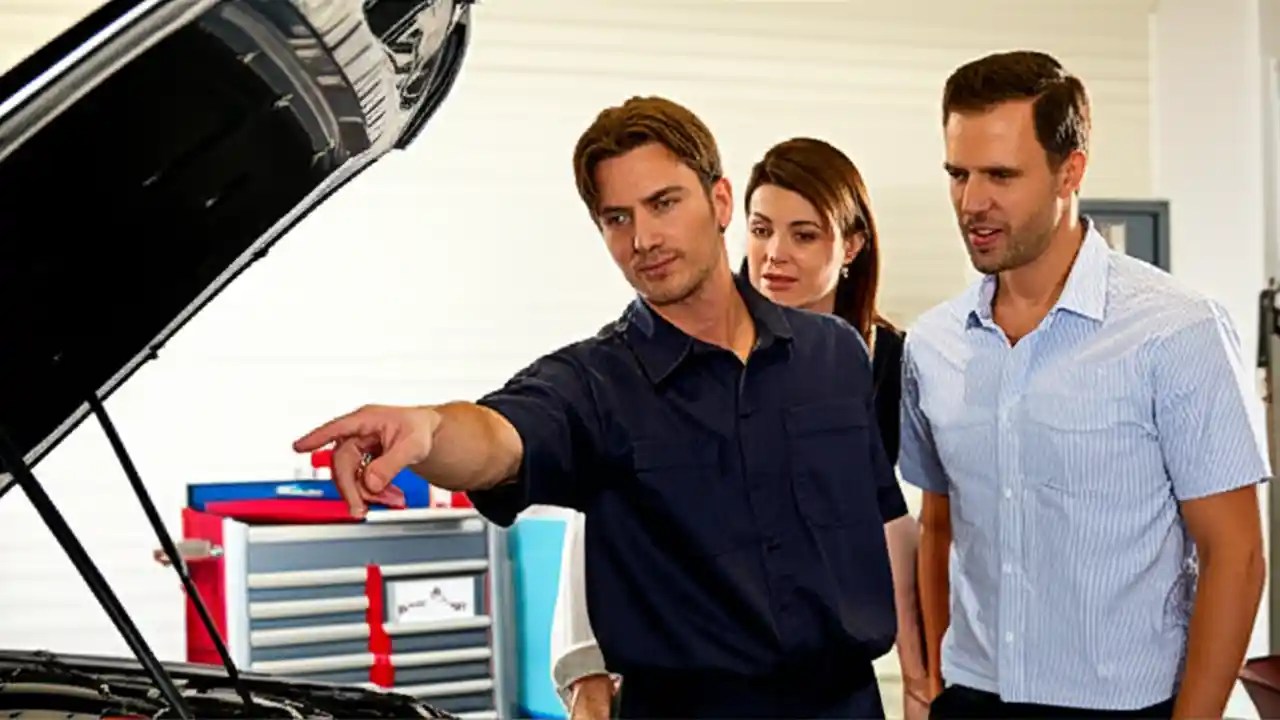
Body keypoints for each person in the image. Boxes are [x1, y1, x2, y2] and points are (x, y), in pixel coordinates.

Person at [294, 96, 911, 719]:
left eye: (664, 204)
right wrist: (427, 430)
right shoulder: (594, 383)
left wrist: (920, 686)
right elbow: (498, 437)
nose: (644, 238)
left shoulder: (833, 356)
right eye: (617, 218)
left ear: (720, 202)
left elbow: (885, 524)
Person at [901, 50, 1269, 719]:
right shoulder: (932, 345)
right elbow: (939, 525)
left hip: (1129, 706)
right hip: (973, 698)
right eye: (958, 173)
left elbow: (1236, 555)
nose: (971, 202)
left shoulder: (1178, 332)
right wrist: (929, 685)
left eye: (1001, 176)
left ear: (1070, 171)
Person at [548, 136, 929, 720]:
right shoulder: (682, 343)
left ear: (850, 246)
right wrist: (586, 678)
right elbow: (601, 518)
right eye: (760, 229)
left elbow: (901, 521)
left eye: (804, 235)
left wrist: (921, 681)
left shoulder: (884, 362)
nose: (773, 254)